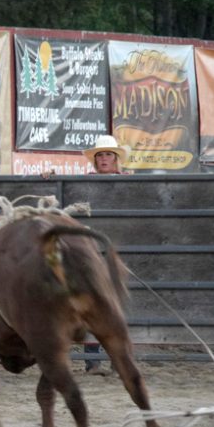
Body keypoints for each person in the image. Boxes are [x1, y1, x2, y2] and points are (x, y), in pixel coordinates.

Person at [81, 134, 132, 375]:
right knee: (93, 302)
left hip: (118, 247)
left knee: (114, 303)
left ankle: (116, 359)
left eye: (108, 155)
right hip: (93, 248)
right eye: (100, 155)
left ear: (116, 159)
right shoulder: (84, 183)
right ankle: (92, 361)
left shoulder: (128, 182)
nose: (103, 159)